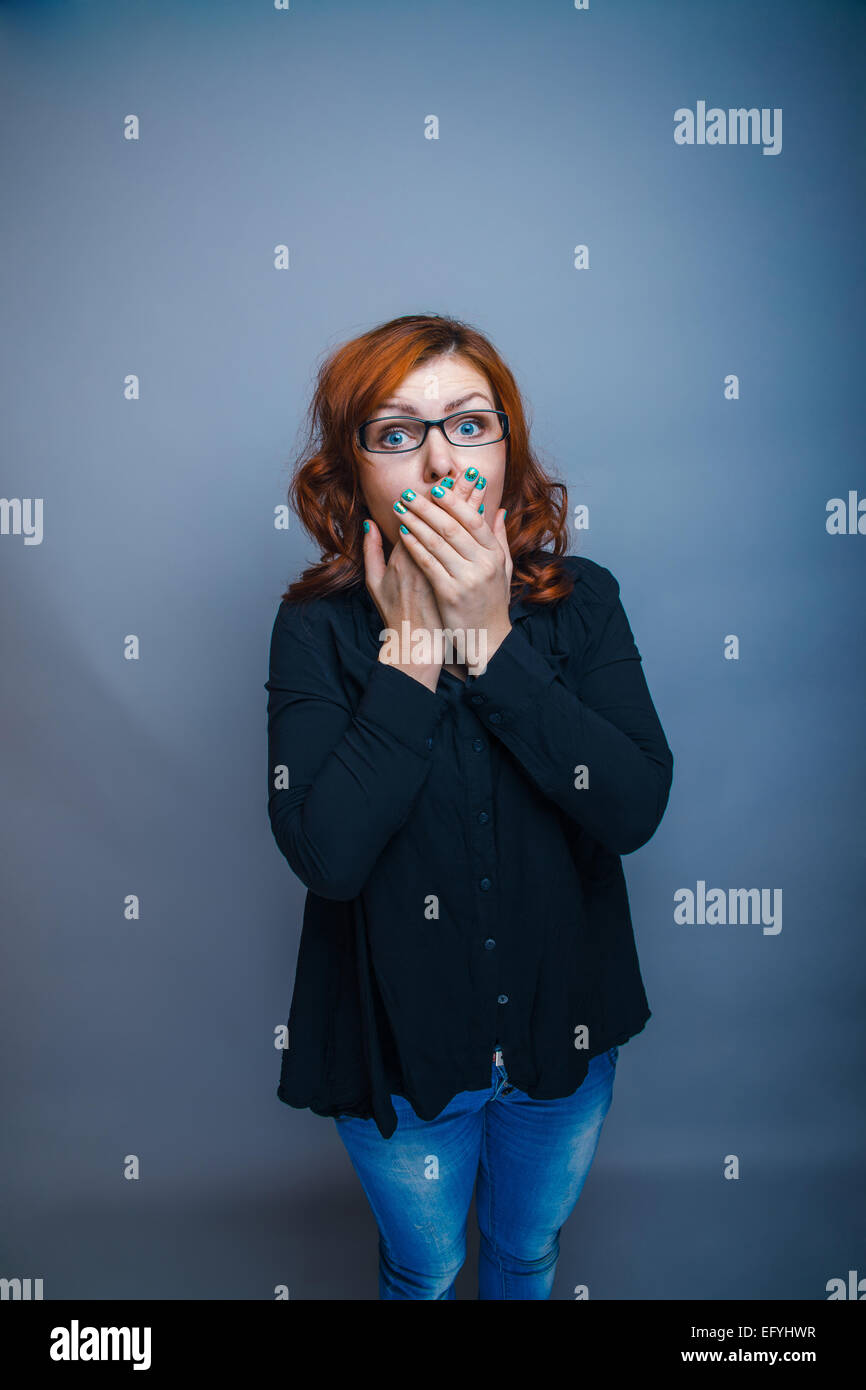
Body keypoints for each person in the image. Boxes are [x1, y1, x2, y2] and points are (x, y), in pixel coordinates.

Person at [265, 312, 674, 1299]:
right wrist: (411, 650)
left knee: (525, 1253)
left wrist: (485, 639)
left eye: (468, 423)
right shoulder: (314, 628)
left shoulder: (583, 602)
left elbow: (627, 806)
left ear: (507, 449)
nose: (440, 455)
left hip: (561, 1039)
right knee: (427, 1263)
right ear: (354, 470)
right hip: (396, 1053)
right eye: (397, 431)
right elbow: (329, 854)